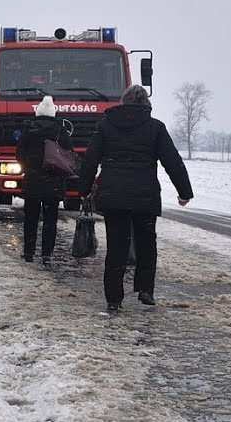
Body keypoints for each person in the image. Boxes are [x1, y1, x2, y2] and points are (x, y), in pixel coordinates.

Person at [76, 84, 192, 311]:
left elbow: (90, 159)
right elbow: (172, 161)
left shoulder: (106, 125)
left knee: (117, 246)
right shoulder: (155, 128)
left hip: (113, 196)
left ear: (123, 102)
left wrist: (84, 188)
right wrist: (184, 192)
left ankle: (114, 298)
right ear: (146, 104)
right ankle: (145, 289)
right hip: (144, 196)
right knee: (147, 243)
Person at [17, 95, 73, 265]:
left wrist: (28, 167)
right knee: (50, 221)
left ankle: (29, 253)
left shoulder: (28, 129)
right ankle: (46, 255)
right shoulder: (60, 130)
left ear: (38, 112)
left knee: (31, 219)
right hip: (53, 183)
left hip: (32, 181)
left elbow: (19, 153)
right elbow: (68, 154)